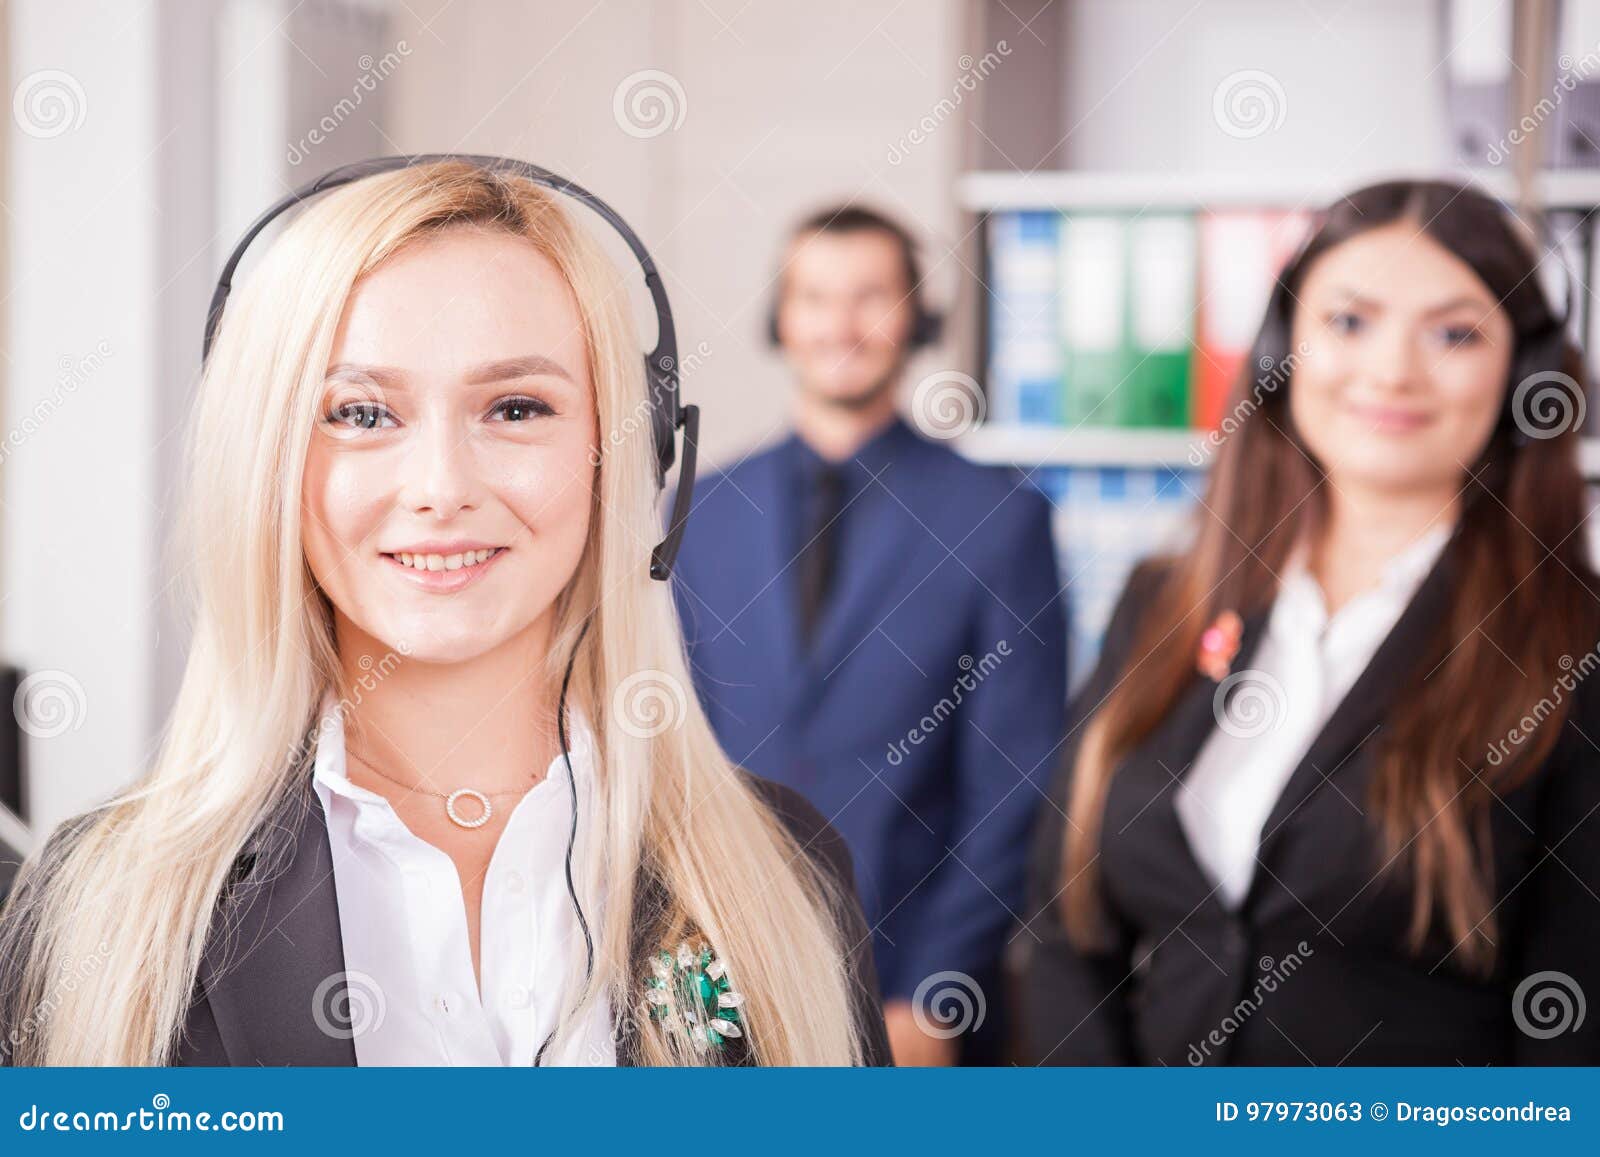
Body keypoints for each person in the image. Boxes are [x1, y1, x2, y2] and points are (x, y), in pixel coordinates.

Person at [0, 157, 890, 1067]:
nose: (441, 487)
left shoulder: (786, 874)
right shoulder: (93, 902)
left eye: (514, 406)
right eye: (359, 412)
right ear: (263, 461)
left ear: (624, 453)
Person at [1022, 178, 1600, 1065]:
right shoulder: (1163, 602)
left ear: (1526, 376)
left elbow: (1574, 1025)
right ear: (1277, 352)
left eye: (1454, 332)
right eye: (1348, 321)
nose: (1393, 370)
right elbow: (1063, 935)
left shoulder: (1573, 646)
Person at [672, 206, 1067, 1064]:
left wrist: (932, 993)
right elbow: (675, 752)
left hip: (913, 991)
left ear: (917, 316)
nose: (841, 325)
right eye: (815, 296)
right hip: (721, 982)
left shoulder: (1000, 517)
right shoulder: (700, 511)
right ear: (781, 318)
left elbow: (1018, 780)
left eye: (870, 296)